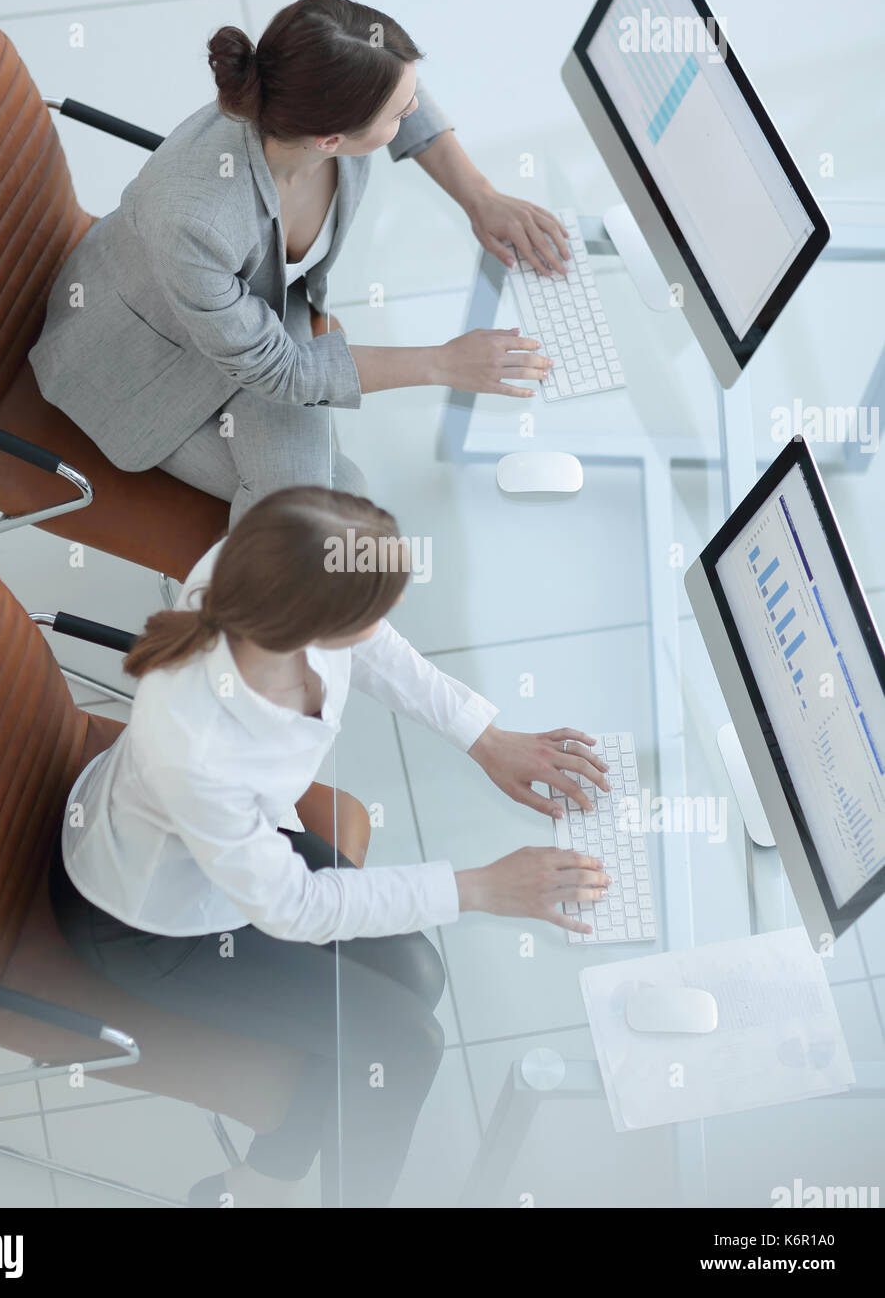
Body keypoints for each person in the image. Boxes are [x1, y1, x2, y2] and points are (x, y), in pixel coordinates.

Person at [48, 487, 611, 1208]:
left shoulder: (259, 581)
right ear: (310, 626)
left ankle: (268, 1177)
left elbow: (369, 644)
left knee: (416, 973)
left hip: (227, 855)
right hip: (148, 923)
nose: (385, 623)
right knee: (403, 1045)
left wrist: (484, 737)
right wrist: (482, 889)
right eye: (369, 611)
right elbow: (293, 907)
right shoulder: (201, 747)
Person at [29, 0, 572, 527]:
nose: (413, 113)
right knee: (334, 511)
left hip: (262, 318)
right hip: (148, 366)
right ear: (331, 140)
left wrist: (480, 197)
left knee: (337, 509)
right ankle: (235, 612)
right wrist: (442, 363)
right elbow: (279, 369)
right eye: (399, 114)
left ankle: (278, 600)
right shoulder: (194, 220)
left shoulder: (315, 102)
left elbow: (404, 92)